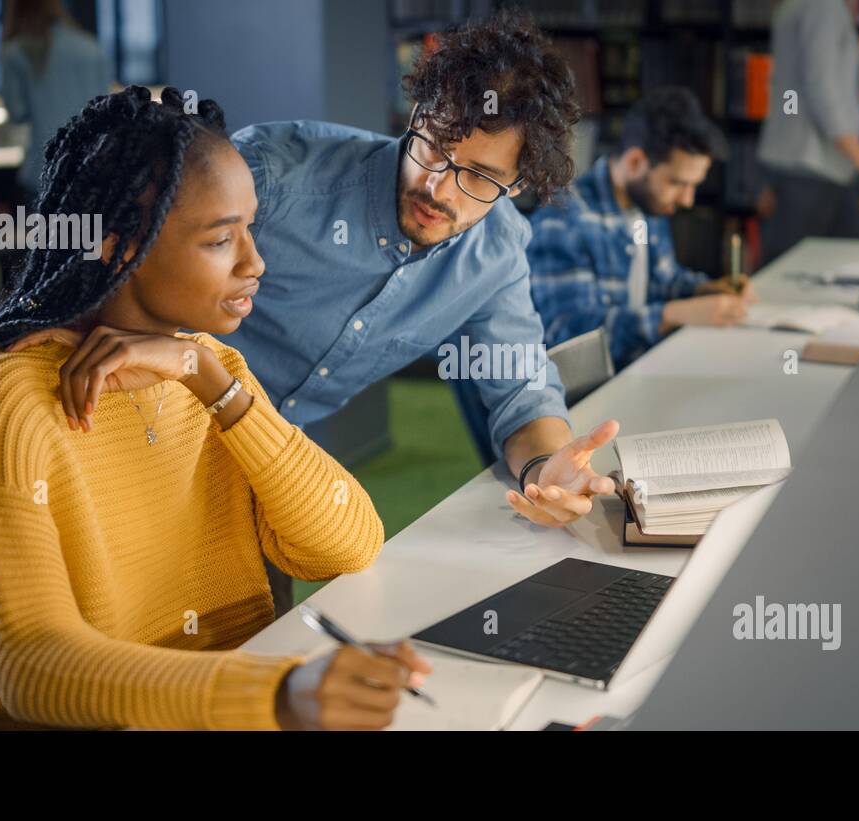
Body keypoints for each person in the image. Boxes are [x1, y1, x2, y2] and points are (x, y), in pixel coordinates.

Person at [0, 87, 427, 731]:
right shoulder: (12, 394)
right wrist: (278, 692)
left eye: (251, 230)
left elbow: (349, 545)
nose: (255, 263)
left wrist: (212, 381)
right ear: (118, 245)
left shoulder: (209, 366)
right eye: (221, 240)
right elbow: (31, 665)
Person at [227, 10, 620, 529]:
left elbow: (521, 394)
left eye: (479, 176)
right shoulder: (274, 173)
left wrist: (547, 470)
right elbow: (131, 267)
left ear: (517, 186)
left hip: (260, 458)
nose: (439, 188)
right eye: (434, 148)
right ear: (415, 115)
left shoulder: (496, 254)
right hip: (135, 416)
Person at [527, 87, 755, 372]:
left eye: (694, 186)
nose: (687, 200)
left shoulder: (647, 205)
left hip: (644, 370)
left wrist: (703, 289)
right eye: (677, 183)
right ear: (636, 162)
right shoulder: (561, 221)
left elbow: (660, 280)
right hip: (591, 395)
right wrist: (672, 315)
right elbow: (571, 338)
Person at [756, 0, 859, 265]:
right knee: (786, 276)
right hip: (815, 166)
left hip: (803, 165)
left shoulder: (792, 8)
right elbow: (823, 94)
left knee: (846, 262)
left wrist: (778, 167)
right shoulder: (825, 8)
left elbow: (788, 91)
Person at [1, 0, 113, 201]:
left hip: (44, 168)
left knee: (46, 232)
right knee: (89, 232)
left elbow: (17, 112)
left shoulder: (16, 51)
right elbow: (106, 106)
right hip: (92, 165)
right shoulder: (90, 46)